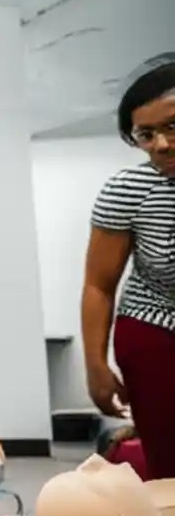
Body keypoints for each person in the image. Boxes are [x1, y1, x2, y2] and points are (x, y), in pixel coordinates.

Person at [81, 60, 175, 481]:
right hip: (154, 324)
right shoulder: (128, 189)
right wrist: (96, 365)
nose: (161, 145)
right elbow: (99, 285)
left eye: (172, 127)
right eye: (145, 135)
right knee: (168, 462)